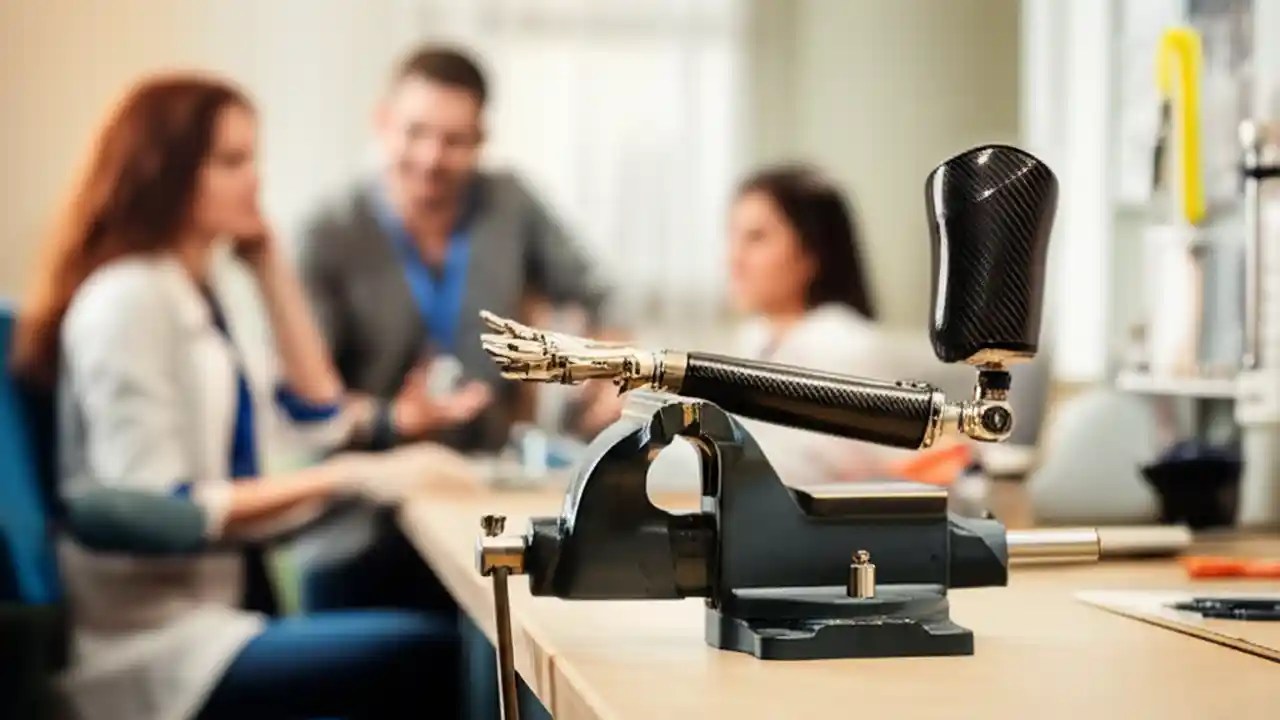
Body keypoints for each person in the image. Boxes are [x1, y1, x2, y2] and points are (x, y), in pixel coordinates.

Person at [13, 74, 467, 720]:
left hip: (217, 616)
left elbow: (320, 412)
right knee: (441, 654)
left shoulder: (195, 292)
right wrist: (356, 475)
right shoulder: (129, 300)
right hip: (155, 646)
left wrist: (269, 264)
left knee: (433, 633)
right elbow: (155, 507)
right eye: (231, 162)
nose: (255, 181)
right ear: (163, 172)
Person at [295, 44, 623, 453]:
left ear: (481, 139)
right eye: (415, 132)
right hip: (368, 467)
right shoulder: (328, 232)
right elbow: (306, 394)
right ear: (381, 122)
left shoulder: (510, 204)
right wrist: (391, 419)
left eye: (454, 141)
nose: (431, 157)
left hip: (490, 461)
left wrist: (613, 374)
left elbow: (602, 294)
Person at [725, 164, 921, 485]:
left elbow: (856, 474)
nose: (734, 258)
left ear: (811, 251)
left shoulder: (845, 345)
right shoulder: (753, 337)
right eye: (733, 237)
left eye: (756, 238)